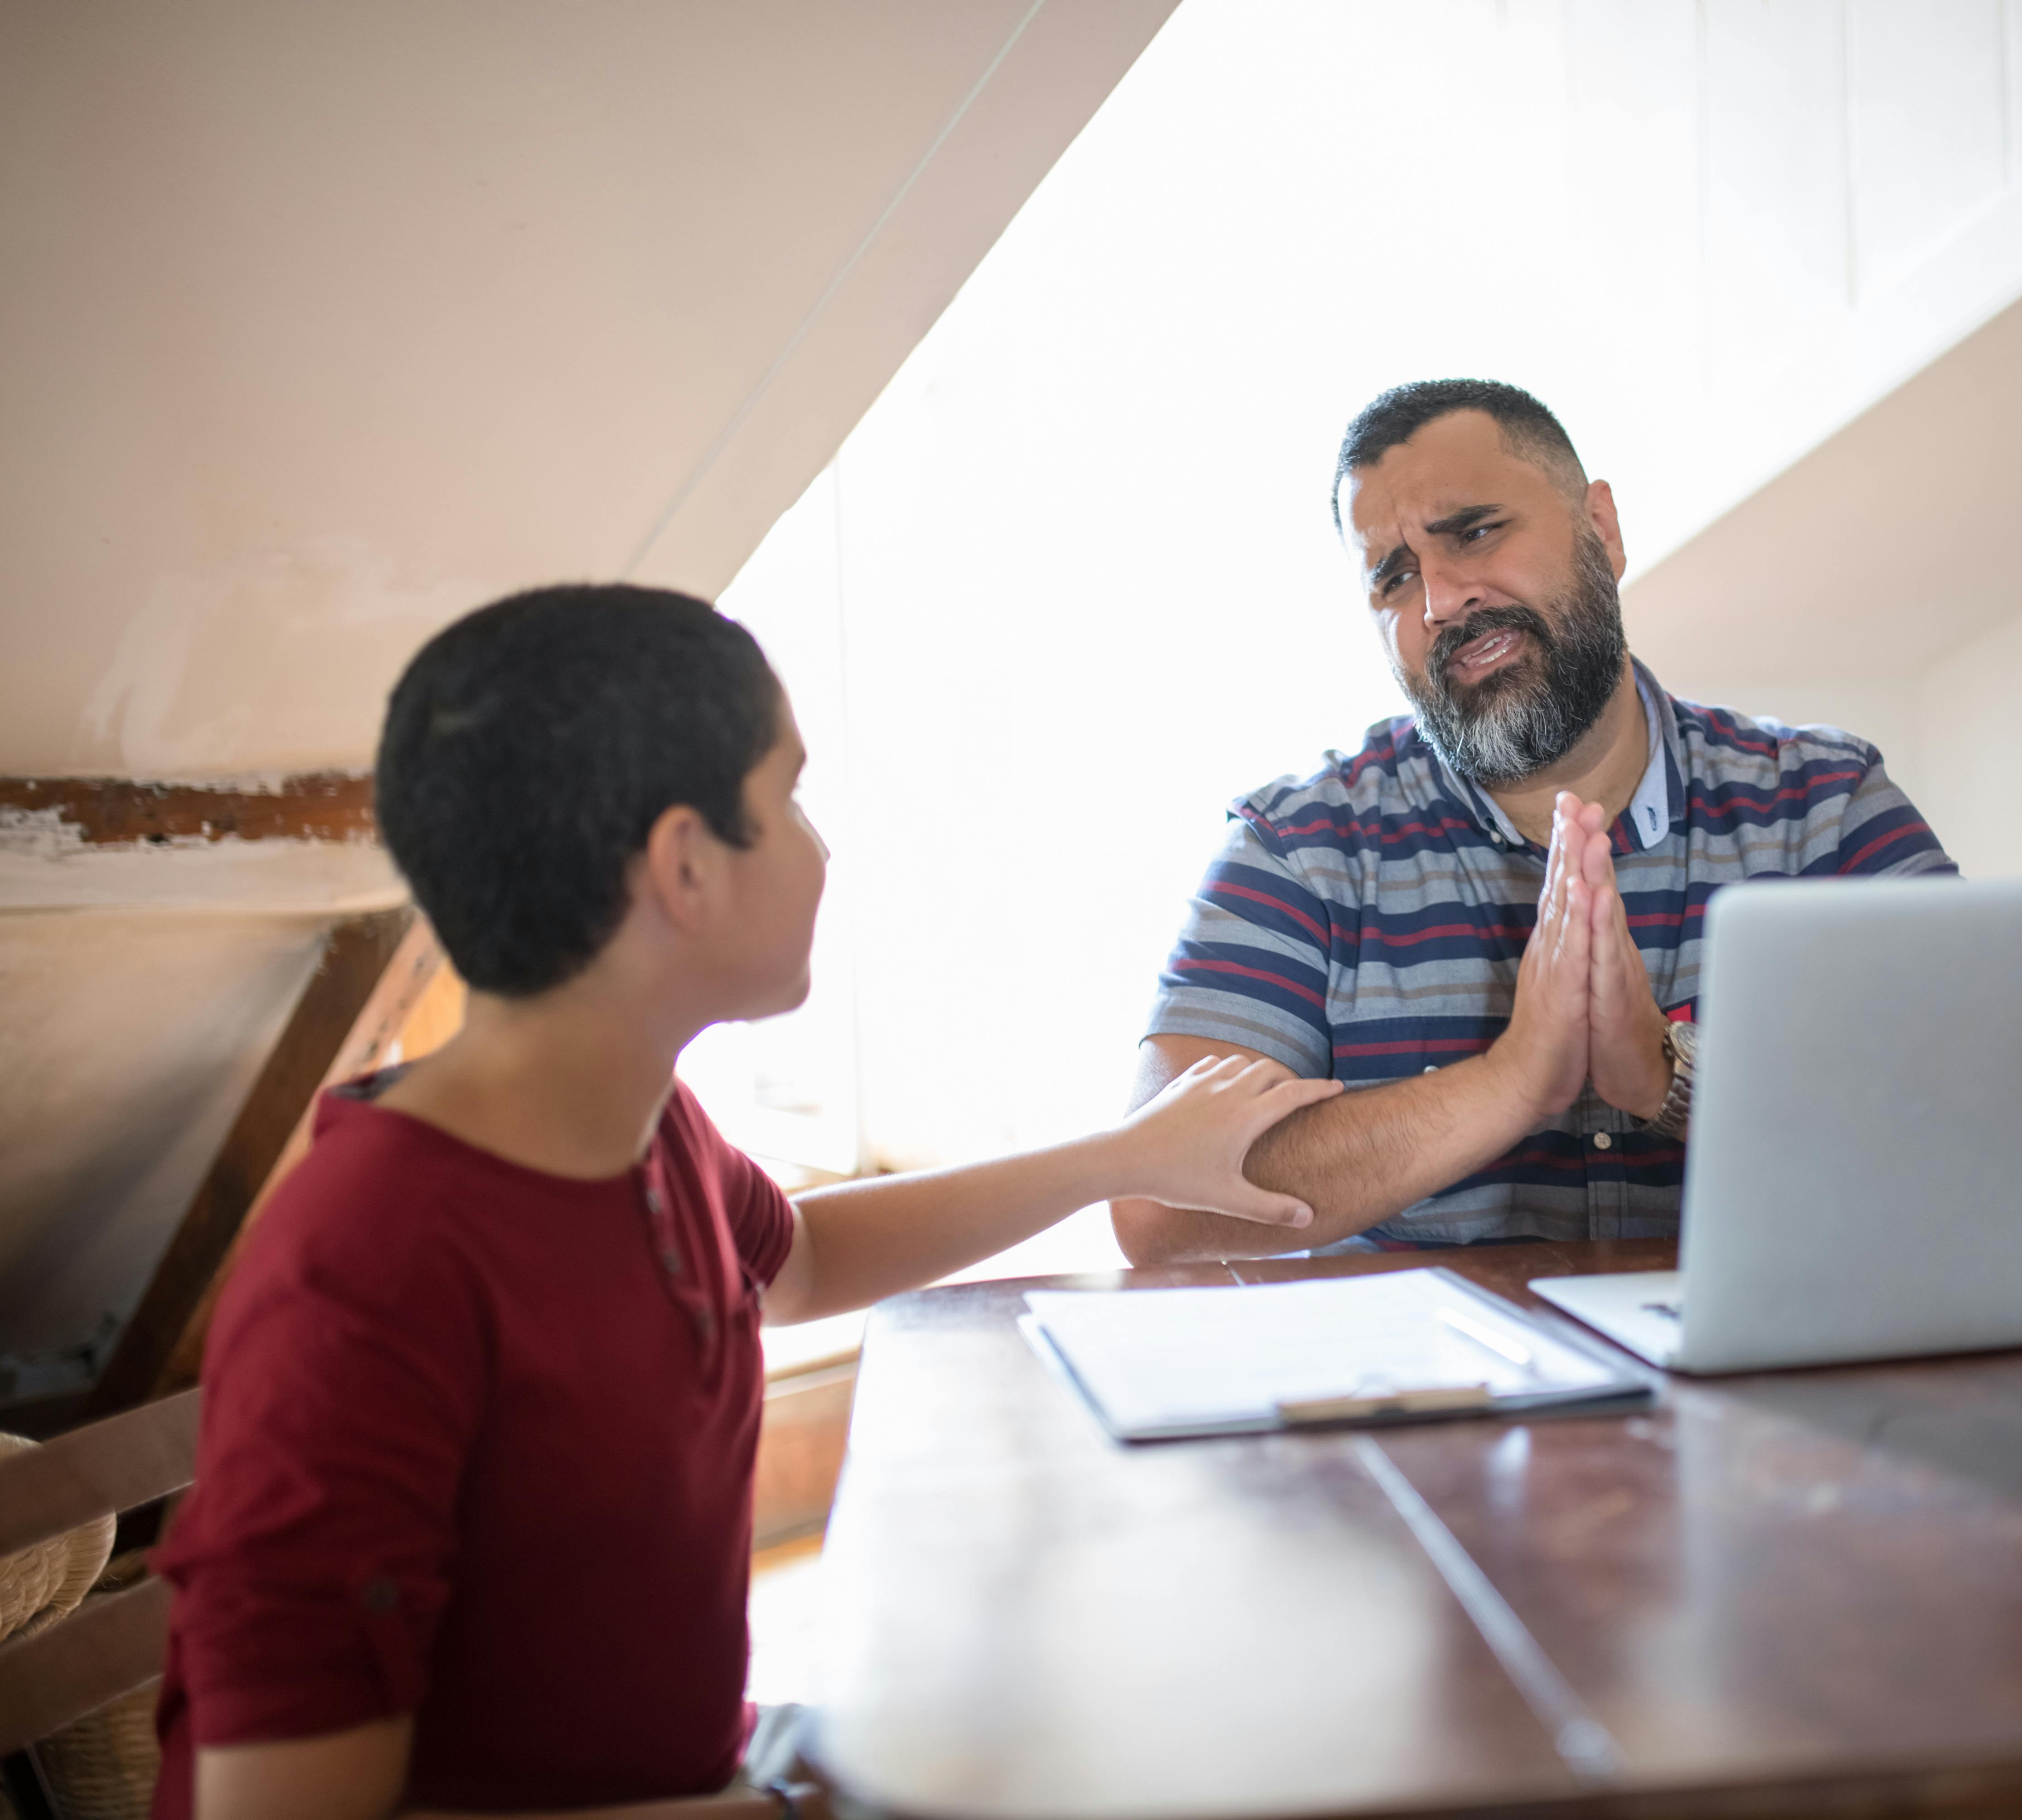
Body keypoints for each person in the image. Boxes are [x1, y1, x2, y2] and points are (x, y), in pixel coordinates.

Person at [155, 586, 1337, 1818]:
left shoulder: (638, 1123)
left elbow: (803, 1259)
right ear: (686, 867)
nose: (822, 852)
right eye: (790, 800)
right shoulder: (368, 1268)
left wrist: (1123, 1156)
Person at [1113, 380, 1953, 1264]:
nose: (1439, 600)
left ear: (1603, 530)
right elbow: (1157, 1207)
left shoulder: (1826, 807)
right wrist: (1511, 1081)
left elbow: (1990, 1128)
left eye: (1474, 532)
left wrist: (1665, 1074)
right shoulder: (1297, 849)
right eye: (1394, 577)